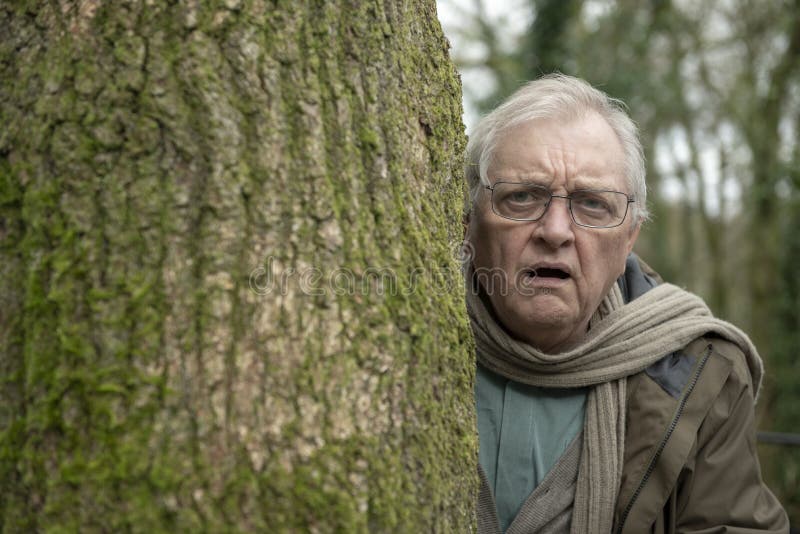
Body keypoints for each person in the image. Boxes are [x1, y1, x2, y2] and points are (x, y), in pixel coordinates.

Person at [463, 74, 789, 534]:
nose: (555, 231)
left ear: (629, 238)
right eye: (521, 197)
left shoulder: (700, 372)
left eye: (592, 204)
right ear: (469, 219)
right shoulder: (401, 332)